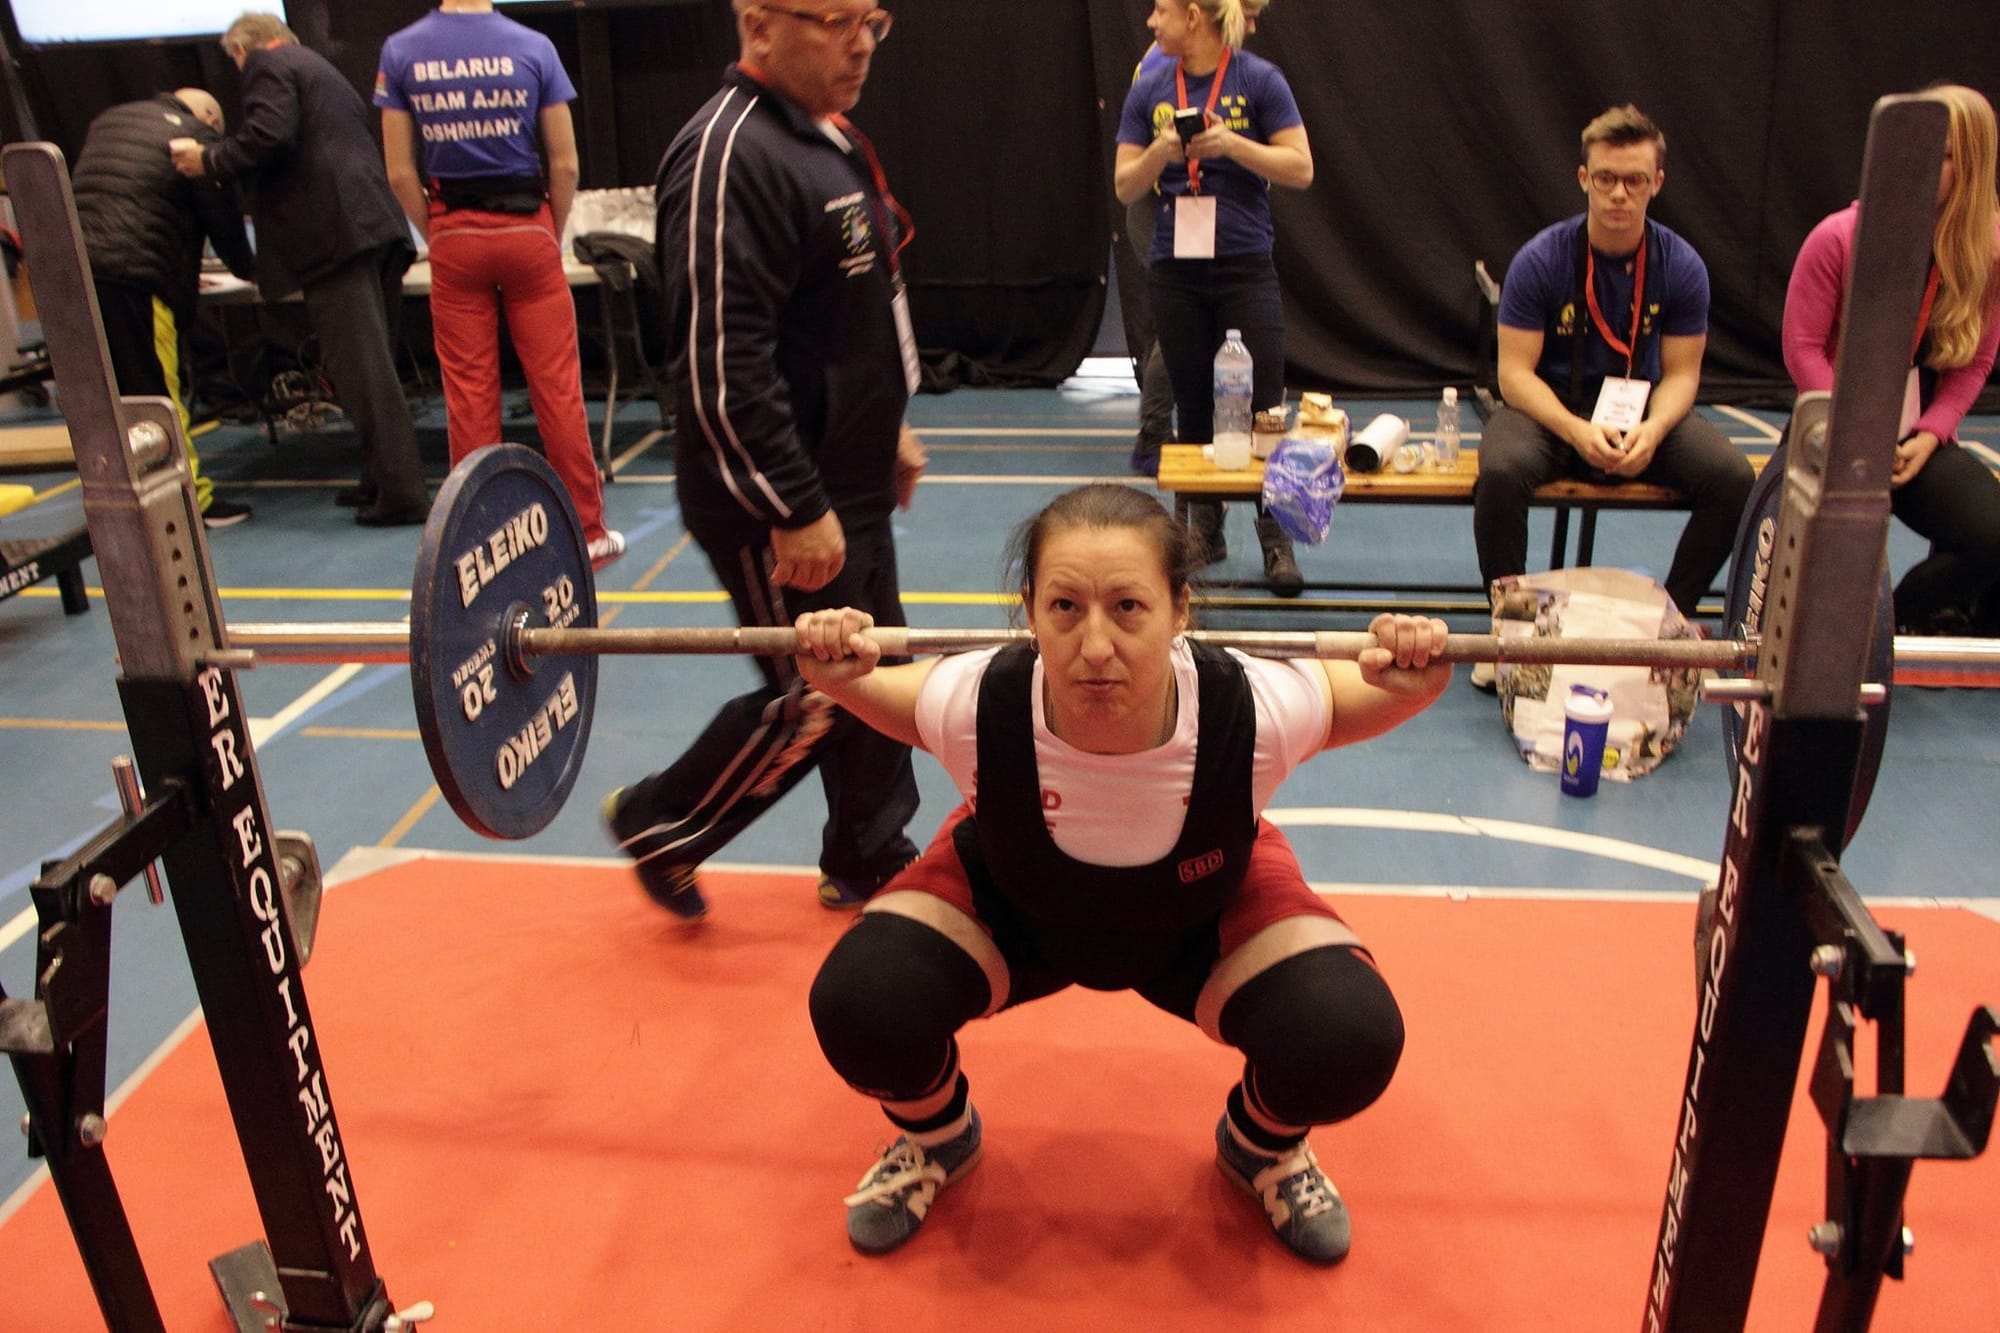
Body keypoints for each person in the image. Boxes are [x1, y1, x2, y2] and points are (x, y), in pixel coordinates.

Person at [790, 483, 1445, 1263]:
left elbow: (1351, 698)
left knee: (1349, 1034)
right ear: (1030, 611)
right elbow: (882, 691)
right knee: (861, 1004)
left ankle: (1260, 1146)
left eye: (1128, 608)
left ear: (1181, 611)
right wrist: (833, 666)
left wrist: (1417, 678)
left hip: (1201, 918)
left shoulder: (1253, 706)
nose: (1094, 645)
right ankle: (938, 1136)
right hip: (1016, 905)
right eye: (1065, 607)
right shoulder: (977, 702)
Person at [602, 0, 928, 919]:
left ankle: (869, 853)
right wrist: (791, 502)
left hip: (846, 477)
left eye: (872, 19)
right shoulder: (726, 154)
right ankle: (663, 819)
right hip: (773, 496)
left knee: (878, 671)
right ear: (757, 25)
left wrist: (886, 419)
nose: (860, 41)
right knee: (815, 694)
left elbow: (858, 309)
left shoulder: (826, 138)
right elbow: (718, 363)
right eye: (834, 20)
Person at [1474, 104, 1753, 654]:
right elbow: (1513, 376)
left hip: (1640, 416)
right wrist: (1575, 430)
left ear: (1657, 183)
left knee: (1734, 478)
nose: (1619, 194)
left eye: (1634, 180)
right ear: (1584, 179)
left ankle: (1667, 624)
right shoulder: (1541, 260)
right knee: (1501, 472)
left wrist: (1654, 429)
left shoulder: (1683, 266)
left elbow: (1681, 375)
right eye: (1606, 178)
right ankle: (1511, 634)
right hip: (1551, 414)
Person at [375, 0, 624, 568]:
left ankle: (481, 538)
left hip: (453, 234)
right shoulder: (534, 46)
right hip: (527, 231)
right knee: (557, 389)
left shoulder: (402, 50)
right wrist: (548, 234)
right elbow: (564, 166)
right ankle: (587, 532)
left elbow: (397, 171)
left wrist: (436, 232)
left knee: (469, 397)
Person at [169, 12, 431, 527]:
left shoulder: (270, 64)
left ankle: (401, 494)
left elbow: (269, 135)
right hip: (373, 228)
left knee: (363, 375)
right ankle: (381, 478)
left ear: (247, 49)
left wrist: (210, 159)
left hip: (336, 237)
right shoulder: (316, 67)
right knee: (373, 368)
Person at [1782, 83, 2000, 636]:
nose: (1929, 164)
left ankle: (1895, 619)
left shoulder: (1986, 255)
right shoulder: (1838, 237)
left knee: (1992, 537)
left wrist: (1932, 434)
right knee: (1805, 568)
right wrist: (1856, 432)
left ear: (1973, 166)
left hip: (1911, 440)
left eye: (1946, 155)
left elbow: (1975, 361)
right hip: (1832, 427)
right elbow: (1802, 348)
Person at [1114, 0, 1309, 596]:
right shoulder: (1150, 87)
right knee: (1194, 407)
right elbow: (1125, 184)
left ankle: (1278, 539)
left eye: (1160, 10)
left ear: (1193, 16)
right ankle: (1204, 530)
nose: (1151, 22)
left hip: (1245, 265)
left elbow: (1300, 167)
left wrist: (1232, 147)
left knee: (1266, 408)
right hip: (1176, 266)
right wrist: (1159, 154)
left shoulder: (1259, 79)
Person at [72, 88, 257, 528]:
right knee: (157, 398)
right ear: (211, 120)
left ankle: (128, 500)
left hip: (74, 271)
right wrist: (251, 270)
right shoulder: (195, 136)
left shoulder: (112, 117)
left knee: (105, 397)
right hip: (136, 280)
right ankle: (192, 503)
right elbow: (222, 218)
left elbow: (126, 200)